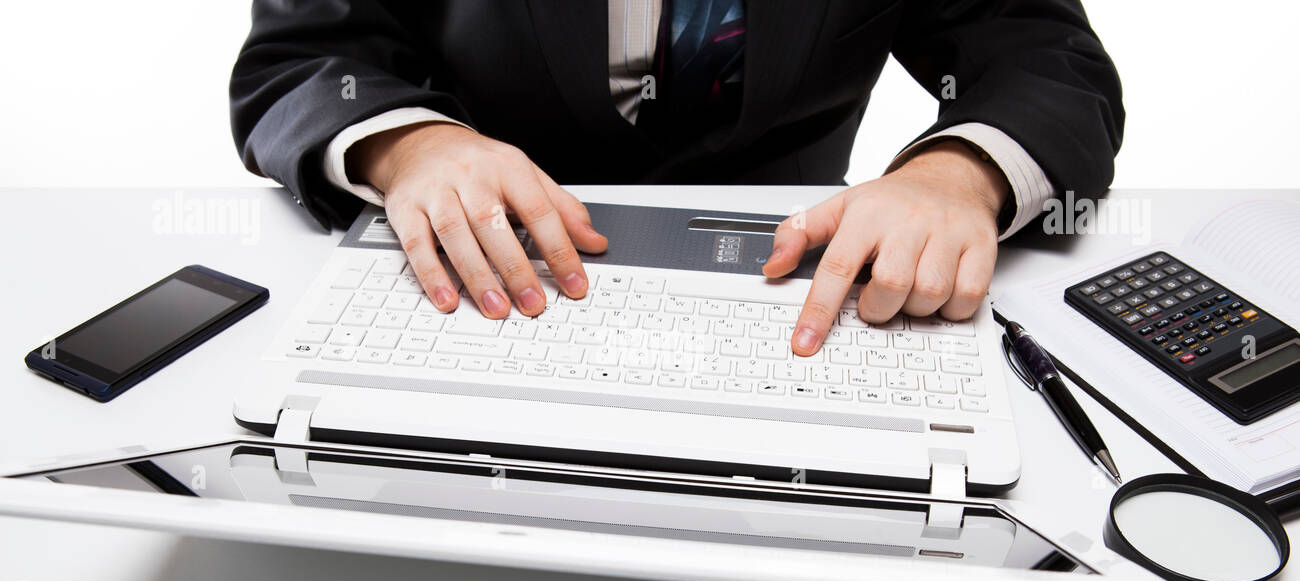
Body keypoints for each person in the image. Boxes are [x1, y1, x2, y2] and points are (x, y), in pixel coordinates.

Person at [230, 0, 1122, 356]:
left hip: (798, 306)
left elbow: (1045, 57)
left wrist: (957, 175)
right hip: (478, 292)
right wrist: (412, 147)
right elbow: (307, 52)